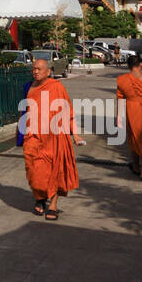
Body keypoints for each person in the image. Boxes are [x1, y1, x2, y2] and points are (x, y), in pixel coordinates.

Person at [19, 58, 83, 220]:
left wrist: (74, 134)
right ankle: (40, 197)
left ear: (48, 72)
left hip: (54, 137)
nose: (36, 71)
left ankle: (53, 204)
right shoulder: (28, 86)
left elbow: (67, 111)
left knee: (54, 170)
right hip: (33, 136)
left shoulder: (56, 86)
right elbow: (24, 111)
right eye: (34, 68)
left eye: (40, 69)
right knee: (34, 172)